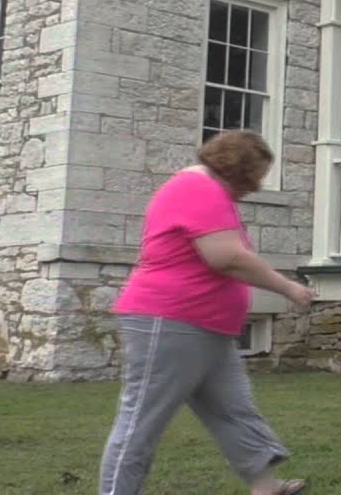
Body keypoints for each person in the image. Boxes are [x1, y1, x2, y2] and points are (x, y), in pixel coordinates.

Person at [99, 130, 313, 495]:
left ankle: (266, 487)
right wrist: (288, 287)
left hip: (206, 325)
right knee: (141, 419)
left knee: (234, 409)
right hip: (169, 321)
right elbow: (227, 257)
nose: (256, 186)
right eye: (255, 175)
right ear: (235, 168)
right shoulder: (198, 190)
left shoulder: (208, 192)